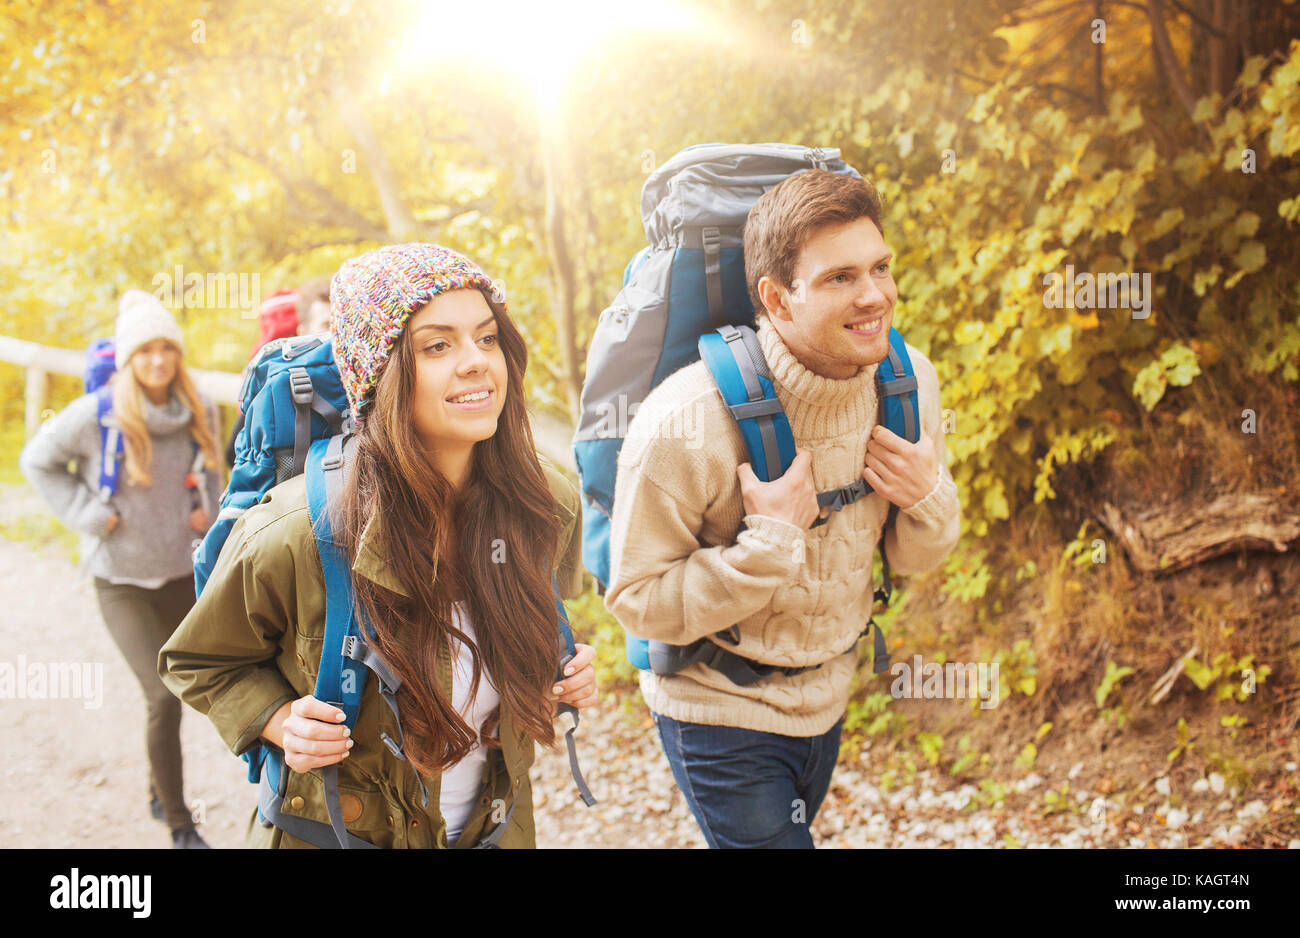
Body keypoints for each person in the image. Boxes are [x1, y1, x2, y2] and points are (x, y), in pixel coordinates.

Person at [160, 243, 598, 848]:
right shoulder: (294, 533)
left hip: (495, 830)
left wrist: (558, 670)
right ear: (381, 375)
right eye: (437, 345)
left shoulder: (545, 501)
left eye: (488, 337)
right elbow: (199, 660)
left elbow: (544, 622)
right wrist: (278, 720)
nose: (476, 362)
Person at [605, 169, 962, 848]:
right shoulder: (686, 420)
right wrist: (767, 545)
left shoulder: (909, 383)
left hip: (828, 694)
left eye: (880, 268)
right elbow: (637, 597)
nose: (875, 296)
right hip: (717, 708)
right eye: (840, 279)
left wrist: (927, 497)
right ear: (777, 297)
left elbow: (911, 558)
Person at [20, 289, 223, 849]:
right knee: (162, 697)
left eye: (168, 348)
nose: (158, 361)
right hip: (122, 581)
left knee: (206, 683)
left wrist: (209, 506)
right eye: (145, 351)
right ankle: (181, 825)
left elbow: (214, 473)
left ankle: (161, 790)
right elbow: (36, 461)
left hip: (182, 573)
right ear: (129, 359)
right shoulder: (98, 414)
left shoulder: (199, 409)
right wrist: (89, 513)